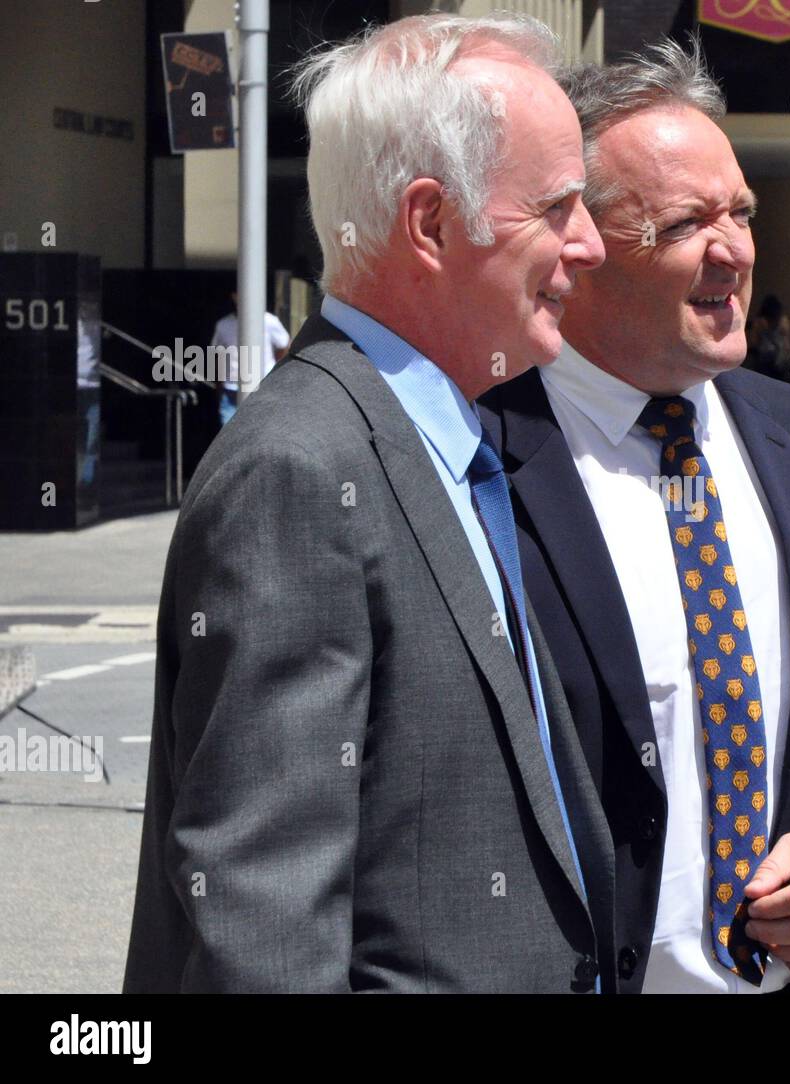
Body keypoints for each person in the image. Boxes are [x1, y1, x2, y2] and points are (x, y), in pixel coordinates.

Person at [123, 12, 612, 993]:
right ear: (430, 223)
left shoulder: (440, 438)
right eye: (558, 207)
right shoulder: (300, 471)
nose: (592, 245)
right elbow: (264, 927)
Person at [480, 38, 790, 995]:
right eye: (686, 223)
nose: (734, 250)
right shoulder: (474, 451)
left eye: (741, 211)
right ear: (581, 248)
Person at [209, 292, 290, 425]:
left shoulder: (269, 321)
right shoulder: (223, 325)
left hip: (262, 387)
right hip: (231, 390)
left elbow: (285, 344)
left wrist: (274, 370)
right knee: (227, 435)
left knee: (260, 429)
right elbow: (218, 354)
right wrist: (220, 383)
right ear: (234, 296)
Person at [743, 294, 790, 383]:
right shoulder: (761, 322)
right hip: (765, 360)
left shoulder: (781, 322)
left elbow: (753, 341)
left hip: (773, 359)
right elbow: (753, 342)